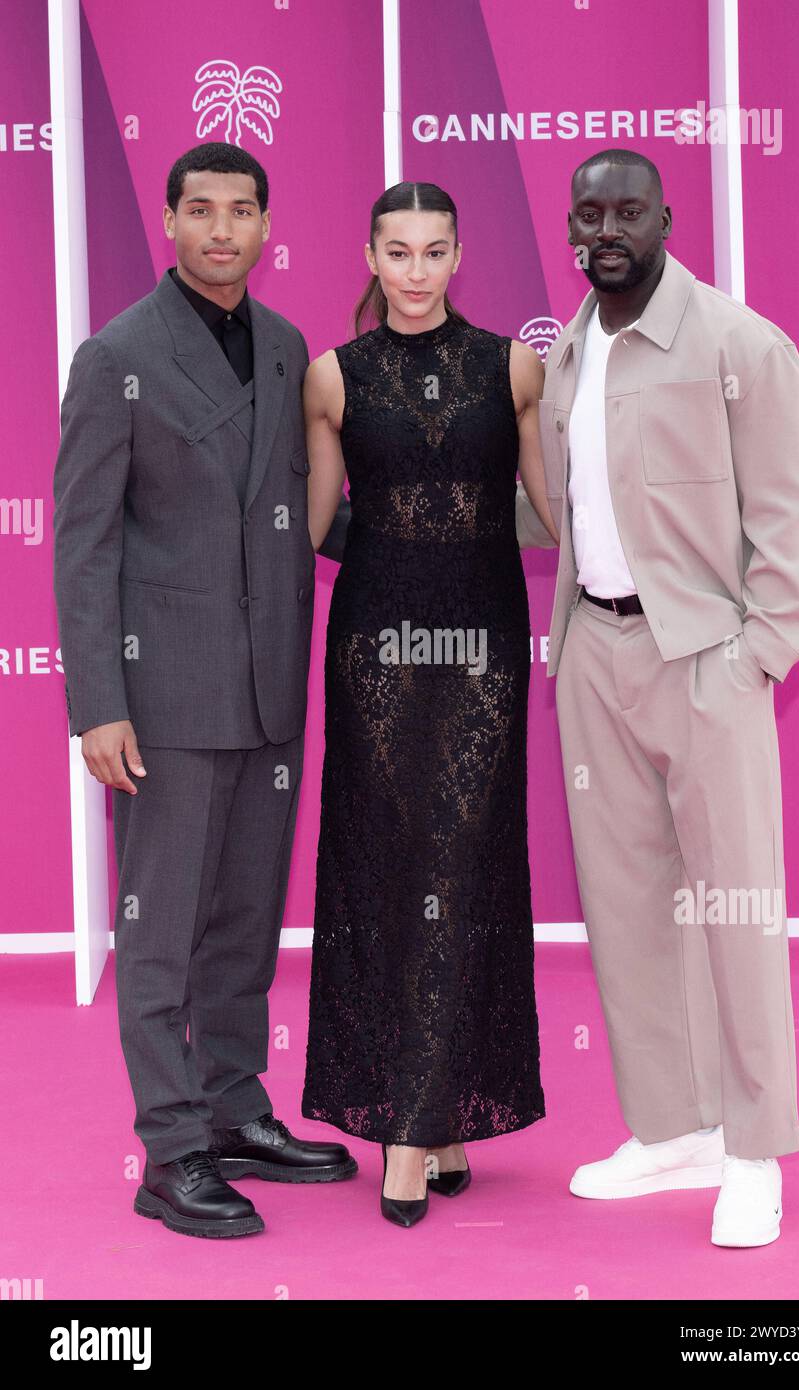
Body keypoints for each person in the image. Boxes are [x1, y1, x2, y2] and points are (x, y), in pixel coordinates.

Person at [516, 149, 799, 1247]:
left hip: (702, 659)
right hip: (590, 653)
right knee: (630, 909)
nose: (606, 228)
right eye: (587, 212)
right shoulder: (565, 356)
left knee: (734, 910)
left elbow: (792, 515)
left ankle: (753, 1151)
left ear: (664, 218)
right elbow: (567, 507)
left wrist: (754, 657)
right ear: (570, 227)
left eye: (627, 210)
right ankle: (671, 1128)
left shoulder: (740, 342)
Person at [52, 142, 357, 1240]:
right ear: (172, 223)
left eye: (240, 211)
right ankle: (171, 1148)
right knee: (160, 931)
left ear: (265, 226)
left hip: (270, 686)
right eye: (200, 211)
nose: (221, 229)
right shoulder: (116, 355)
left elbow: (311, 511)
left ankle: (233, 1110)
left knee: (241, 923)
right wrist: (97, 702)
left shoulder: (284, 350)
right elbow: (81, 545)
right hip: (163, 696)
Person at [301, 181, 557, 1227]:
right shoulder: (331, 375)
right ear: (369, 253)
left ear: (458, 257)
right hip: (376, 653)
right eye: (396, 251)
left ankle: (425, 1121)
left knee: (463, 864)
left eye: (434, 251)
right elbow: (317, 523)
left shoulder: (514, 363)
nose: (414, 271)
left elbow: (550, 507)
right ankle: (422, 1122)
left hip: (483, 652)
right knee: (395, 867)